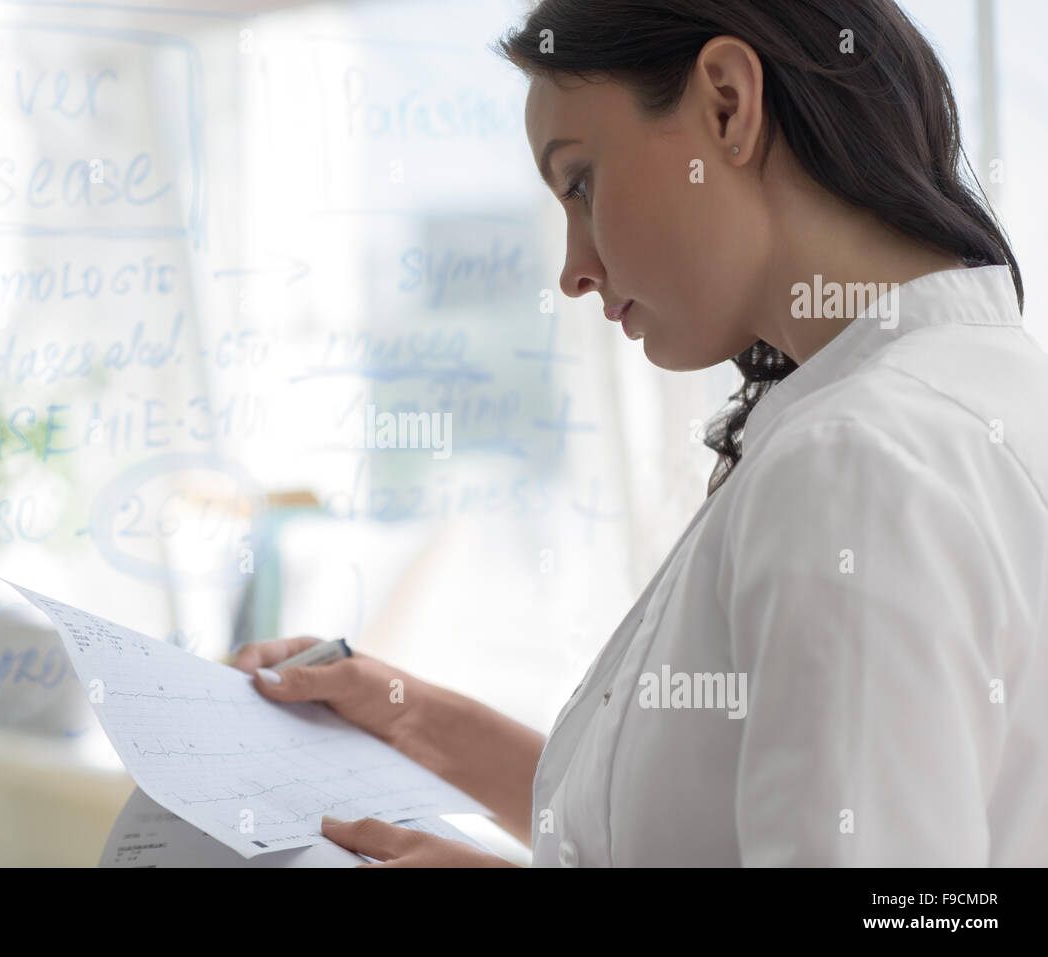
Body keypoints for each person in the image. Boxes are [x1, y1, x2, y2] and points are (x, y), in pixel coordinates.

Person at [236, 0, 1048, 866]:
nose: (573, 270)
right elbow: (675, 827)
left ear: (729, 103)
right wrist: (406, 712)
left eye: (581, 183)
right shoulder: (963, 394)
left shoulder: (856, 461)